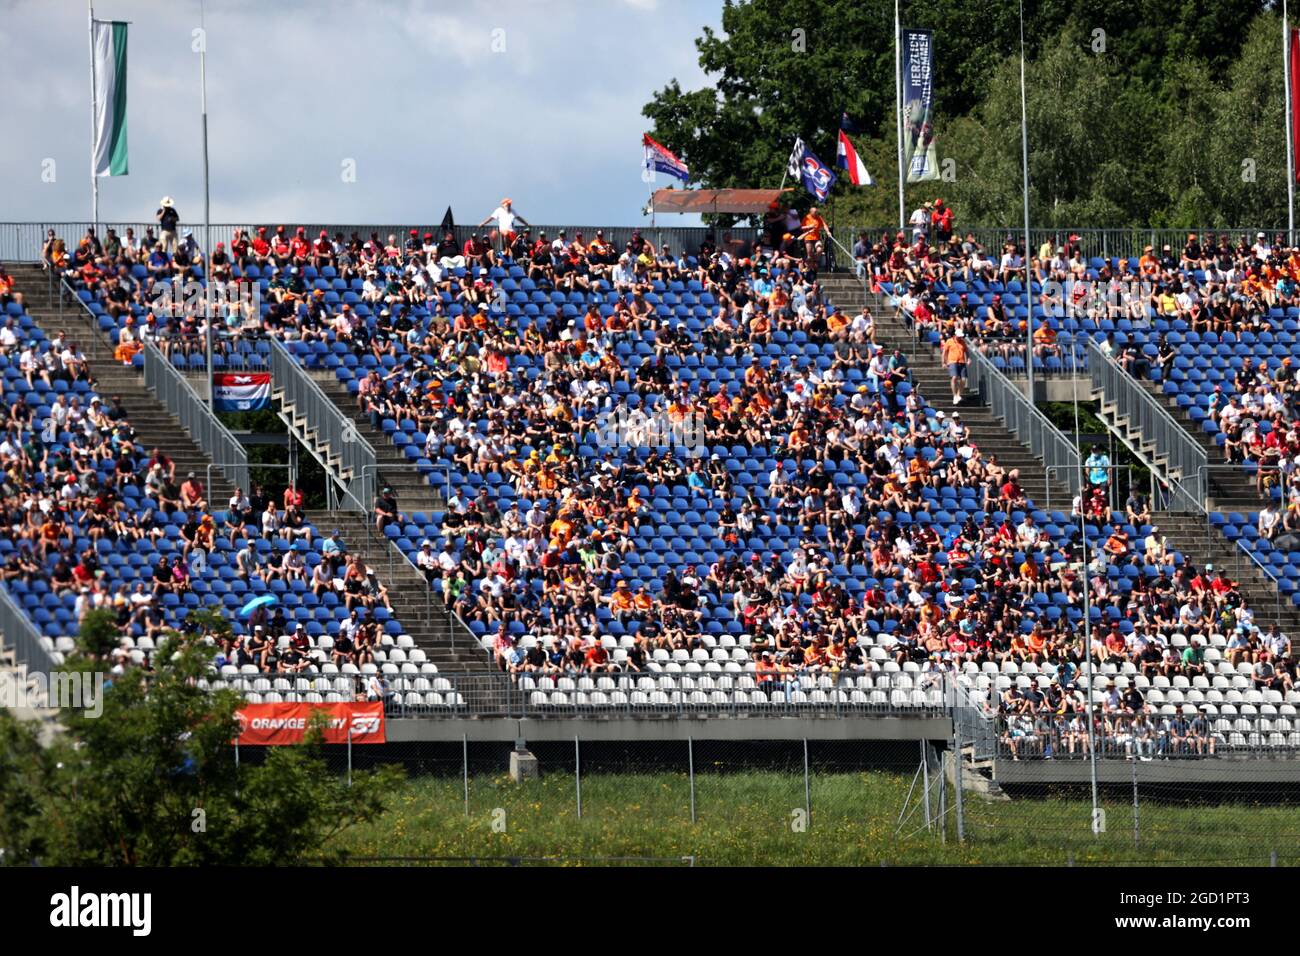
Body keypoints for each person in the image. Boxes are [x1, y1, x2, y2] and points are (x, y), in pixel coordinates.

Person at [941, 329, 968, 406]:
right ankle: (954, 395)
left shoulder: (963, 342)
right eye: (959, 336)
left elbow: (966, 351)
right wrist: (943, 362)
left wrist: (968, 358)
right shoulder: (949, 341)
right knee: (954, 377)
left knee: (963, 379)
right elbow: (944, 352)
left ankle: (958, 394)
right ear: (955, 335)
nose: (960, 337)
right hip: (952, 361)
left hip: (962, 361)